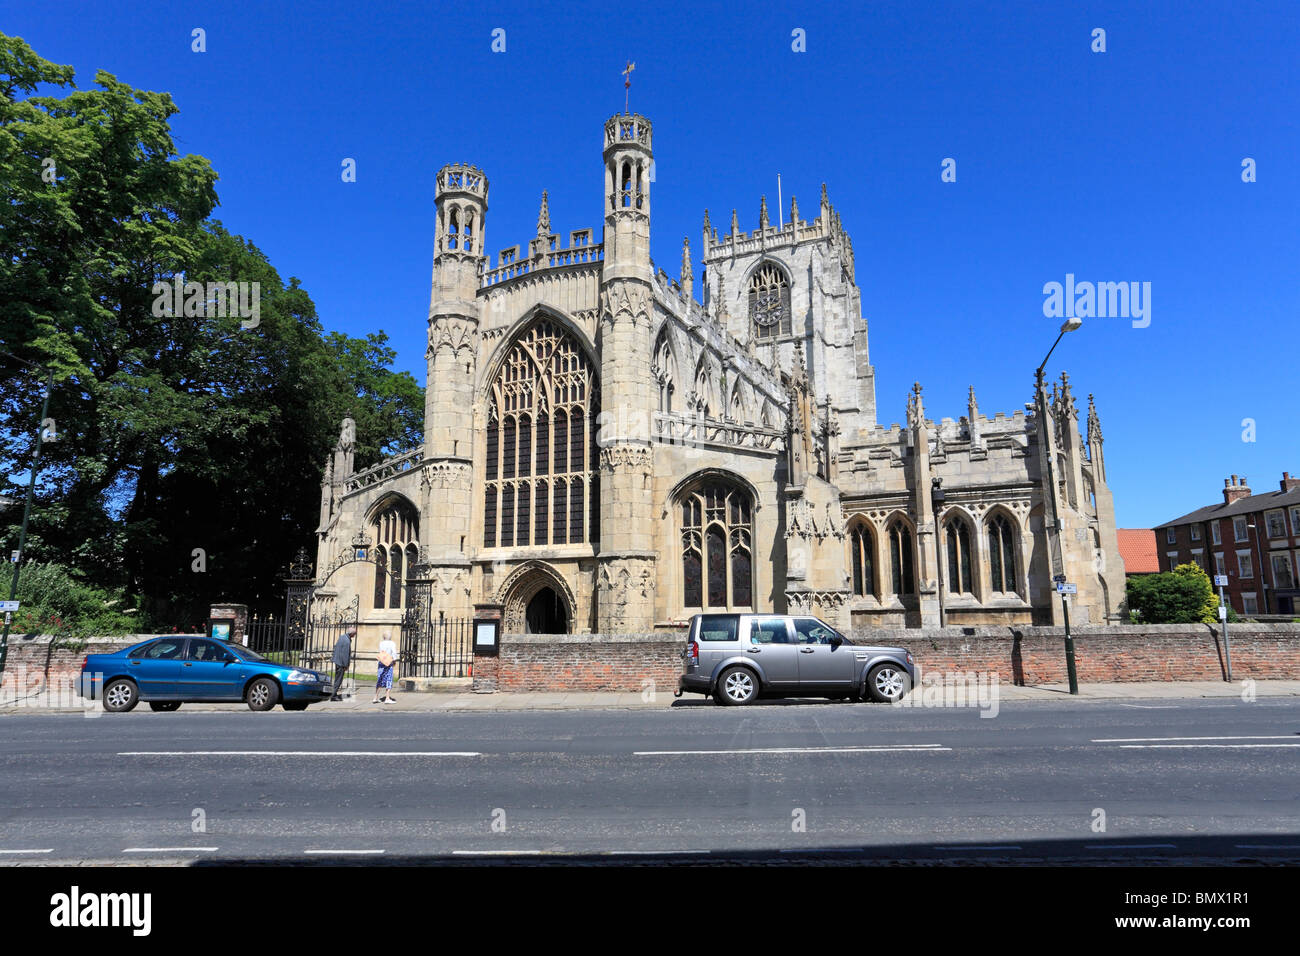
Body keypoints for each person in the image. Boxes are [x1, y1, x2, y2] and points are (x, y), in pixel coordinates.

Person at [374, 631, 398, 704]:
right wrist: (394, 660)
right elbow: (393, 652)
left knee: (380, 679)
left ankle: (375, 697)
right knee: (388, 679)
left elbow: (381, 652)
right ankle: (387, 698)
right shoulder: (392, 643)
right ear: (390, 637)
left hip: (381, 663)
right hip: (388, 663)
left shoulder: (381, 643)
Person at [331, 627, 354, 701]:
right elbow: (345, 655)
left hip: (337, 661)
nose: (355, 635)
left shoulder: (342, 637)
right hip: (341, 663)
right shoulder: (347, 641)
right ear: (352, 633)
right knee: (339, 679)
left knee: (337, 678)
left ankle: (334, 693)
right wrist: (346, 665)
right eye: (355, 634)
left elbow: (336, 647)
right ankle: (333, 696)